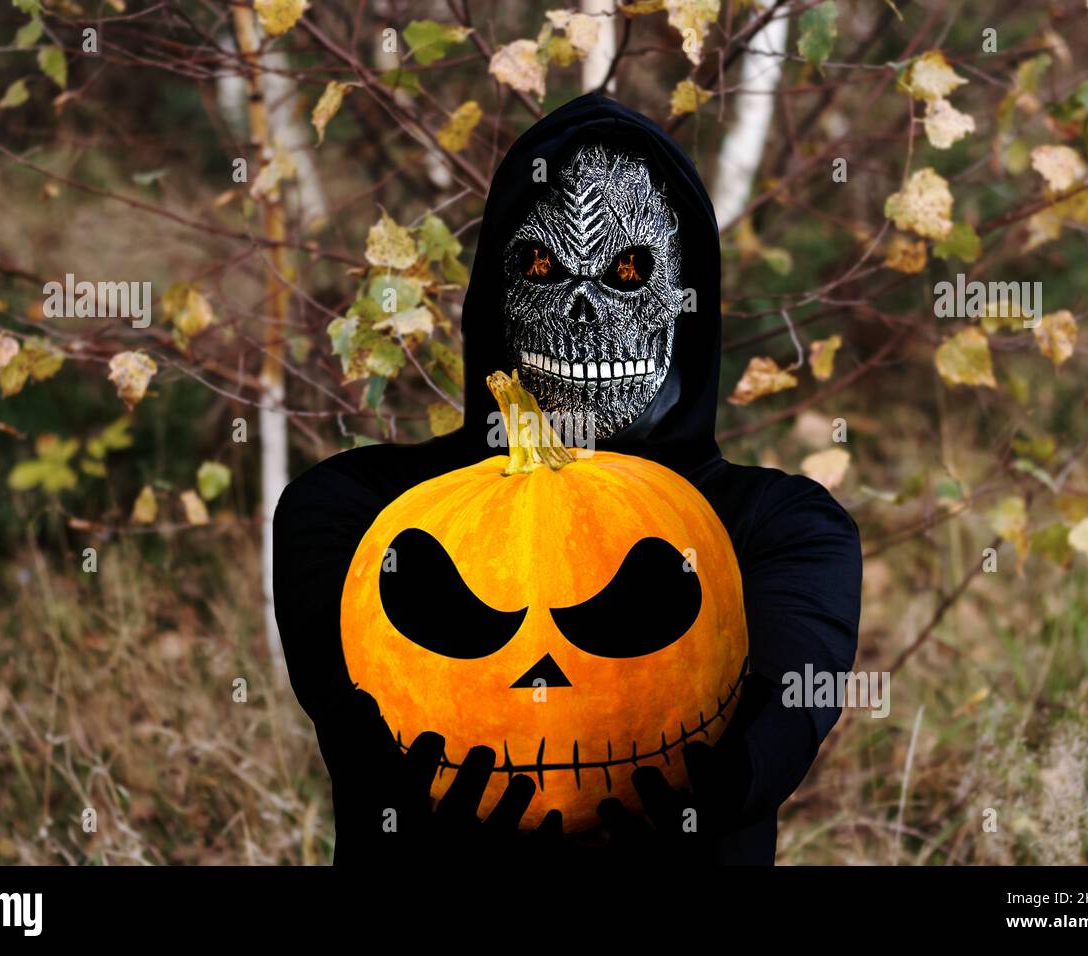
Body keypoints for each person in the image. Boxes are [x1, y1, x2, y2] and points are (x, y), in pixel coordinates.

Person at [273, 93, 861, 864]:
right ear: (494, 293)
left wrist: (733, 781)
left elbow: (793, 692)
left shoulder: (776, 525)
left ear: (686, 299)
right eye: (543, 268)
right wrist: (391, 792)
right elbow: (341, 691)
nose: (583, 310)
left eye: (628, 272)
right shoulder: (359, 508)